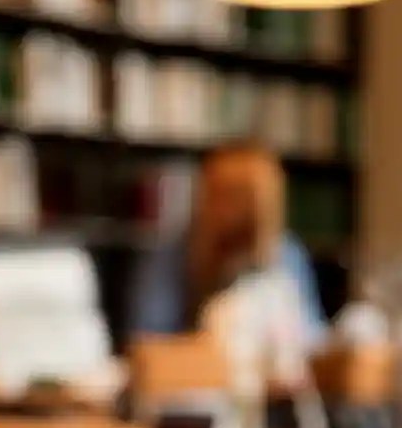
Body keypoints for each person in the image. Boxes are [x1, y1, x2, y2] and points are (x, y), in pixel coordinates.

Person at [128, 143, 327, 349]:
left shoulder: (287, 254)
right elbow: (150, 339)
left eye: (251, 201)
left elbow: (312, 338)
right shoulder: (171, 254)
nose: (240, 214)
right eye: (232, 198)